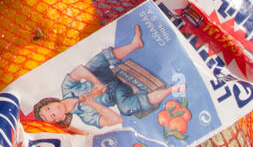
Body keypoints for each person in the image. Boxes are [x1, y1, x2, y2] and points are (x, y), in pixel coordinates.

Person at [30, 24, 186, 130]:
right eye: (52, 116)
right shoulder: (86, 116)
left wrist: (97, 83)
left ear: (49, 101)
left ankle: (134, 44)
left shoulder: (66, 88)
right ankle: (172, 89)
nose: (53, 110)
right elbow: (116, 120)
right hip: (116, 92)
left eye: (48, 107)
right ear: (60, 120)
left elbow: (79, 71)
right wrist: (93, 104)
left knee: (92, 64)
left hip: (102, 77)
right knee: (126, 108)